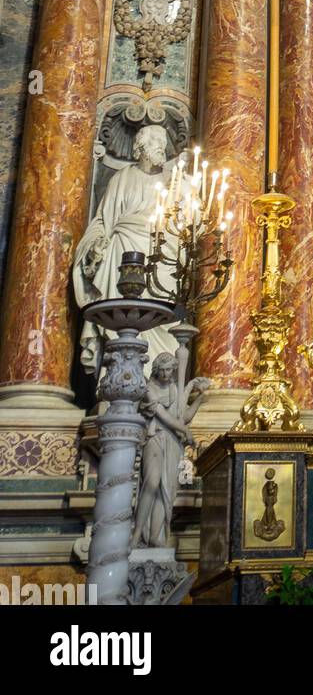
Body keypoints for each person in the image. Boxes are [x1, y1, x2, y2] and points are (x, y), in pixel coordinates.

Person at [72, 124, 178, 373]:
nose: (161, 149)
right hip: (120, 254)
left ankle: (158, 383)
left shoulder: (173, 181)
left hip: (161, 258)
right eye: (155, 144)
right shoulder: (122, 178)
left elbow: (184, 224)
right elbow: (102, 221)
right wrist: (96, 245)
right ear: (140, 148)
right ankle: (115, 380)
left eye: (163, 145)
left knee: (162, 317)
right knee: (119, 317)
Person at [132, 353, 209, 549]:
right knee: (152, 482)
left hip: (173, 442)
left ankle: (155, 536)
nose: (166, 374)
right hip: (156, 437)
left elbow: (184, 417)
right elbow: (166, 418)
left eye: (169, 370)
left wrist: (199, 396)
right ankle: (137, 533)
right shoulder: (149, 390)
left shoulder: (175, 389)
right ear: (156, 370)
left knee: (165, 491)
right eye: (163, 370)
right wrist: (186, 433)